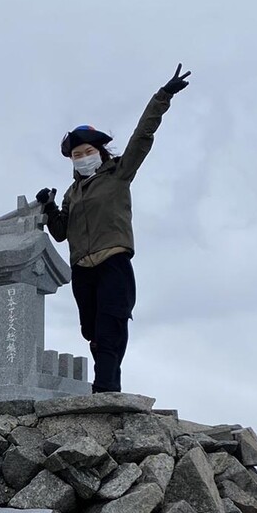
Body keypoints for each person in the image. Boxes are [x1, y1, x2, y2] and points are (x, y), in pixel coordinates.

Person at [37, 64, 191, 393]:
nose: (83, 158)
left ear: (101, 152)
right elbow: (61, 233)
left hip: (113, 261)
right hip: (82, 268)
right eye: (77, 155)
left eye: (88, 152)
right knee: (91, 330)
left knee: (111, 324)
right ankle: (108, 383)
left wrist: (162, 97)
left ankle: (105, 388)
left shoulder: (118, 174)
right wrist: (49, 207)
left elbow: (142, 137)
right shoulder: (72, 193)